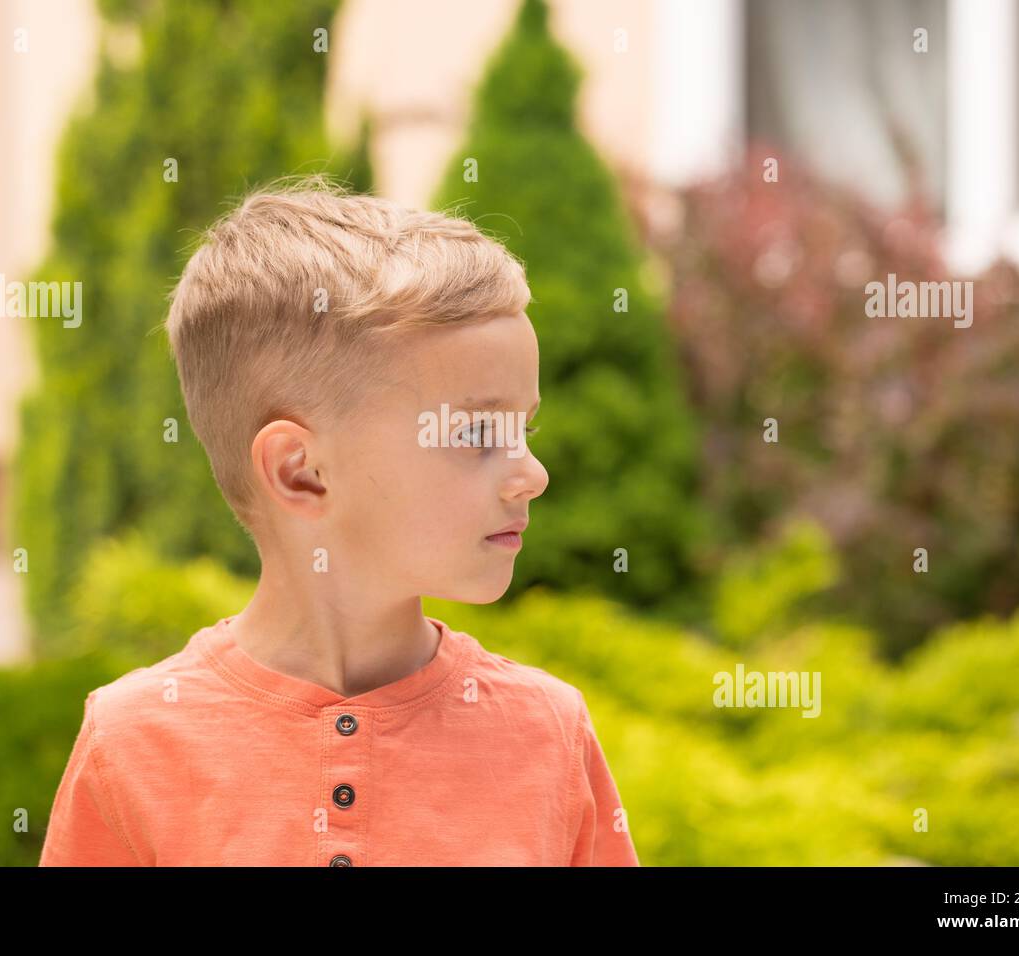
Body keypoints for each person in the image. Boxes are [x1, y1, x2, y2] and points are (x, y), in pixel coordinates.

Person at [38, 175, 639, 866]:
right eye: (476, 433)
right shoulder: (131, 744)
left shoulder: (548, 734)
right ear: (301, 471)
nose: (532, 473)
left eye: (524, 427)